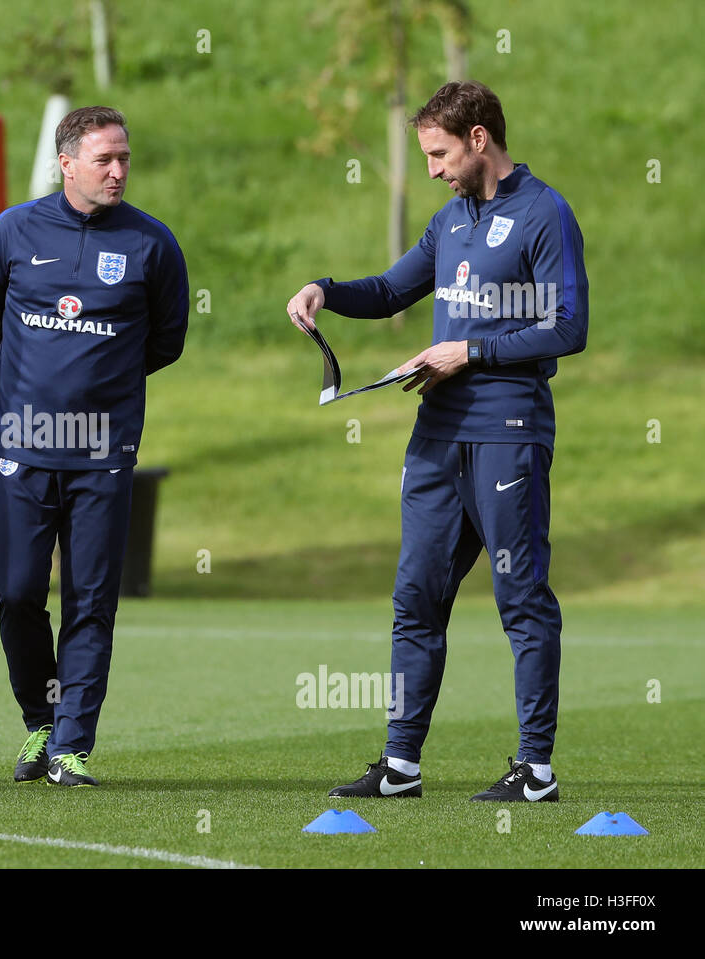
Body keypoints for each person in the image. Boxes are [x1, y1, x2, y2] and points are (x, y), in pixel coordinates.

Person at [285, 81, 588, 802]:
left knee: (521, 598)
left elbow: (568, 327)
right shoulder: (450, 220)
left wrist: (470, 353)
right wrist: (325, 290)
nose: (432, 168)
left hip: (506, 435)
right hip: (435, 441)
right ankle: (401, 765)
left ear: (479, 139)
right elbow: (392, 291)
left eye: (440, 153)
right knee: (415, 596)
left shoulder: (545, 214)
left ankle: (535, 770)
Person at [0, 106, 188, 787]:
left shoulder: (153, 245)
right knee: (18, 591)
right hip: (23, 447)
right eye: (104, 160)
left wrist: (102, 385)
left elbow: (166, 341)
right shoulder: (12, 231)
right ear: (67, 164)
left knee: (93, 599)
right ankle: (41, 715)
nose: (118, 170)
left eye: (124, 157)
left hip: (102, 453)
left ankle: (71, 745)